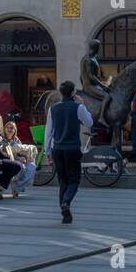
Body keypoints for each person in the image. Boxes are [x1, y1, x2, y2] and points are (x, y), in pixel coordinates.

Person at [44, 81, 92, 226]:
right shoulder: (78, 107)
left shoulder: (53, 109)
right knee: (74, 180)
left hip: (57, 149)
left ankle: (65, 213)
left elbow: (49, 131)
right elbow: (89, 122)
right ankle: (66, 202)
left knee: (62, 181)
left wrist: (47, 151)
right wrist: (83, 104)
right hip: (72, 148)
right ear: (73, 93)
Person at [2, 121, 37, 194]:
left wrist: (24, 157)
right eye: (7, 127)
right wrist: (18, 158)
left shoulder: (16, 139)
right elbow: (4, 153)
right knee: (21, 167)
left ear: (15, 130)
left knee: (32, 166)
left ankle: (17, 186)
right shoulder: (2, 139)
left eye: (12, 128)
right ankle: (17, 186)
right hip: (8, 160)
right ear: (4, 129)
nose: (9, 129)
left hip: (18, 160)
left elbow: (21, 151)